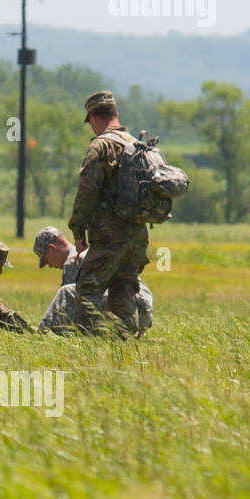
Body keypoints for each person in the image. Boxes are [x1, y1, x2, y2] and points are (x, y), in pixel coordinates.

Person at [68, 91, 150, 338]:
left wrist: (77, 228)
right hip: (137, 237)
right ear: (115, 114)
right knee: (124, 290)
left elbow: (87, 190)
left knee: (88, 289)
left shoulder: (101, 146)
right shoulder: (137, 145)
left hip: (109, 236)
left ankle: (89, 349)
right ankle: (123, 348)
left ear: (93, 118)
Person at [32, 225, 152, 334]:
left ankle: (43, 333)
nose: (50, 265)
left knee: (66, 293)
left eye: (46, 260)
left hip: (129, 311)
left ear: (52, 248)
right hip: (142, 312)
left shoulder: (73, 262)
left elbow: (68, 312)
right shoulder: (89, 252)